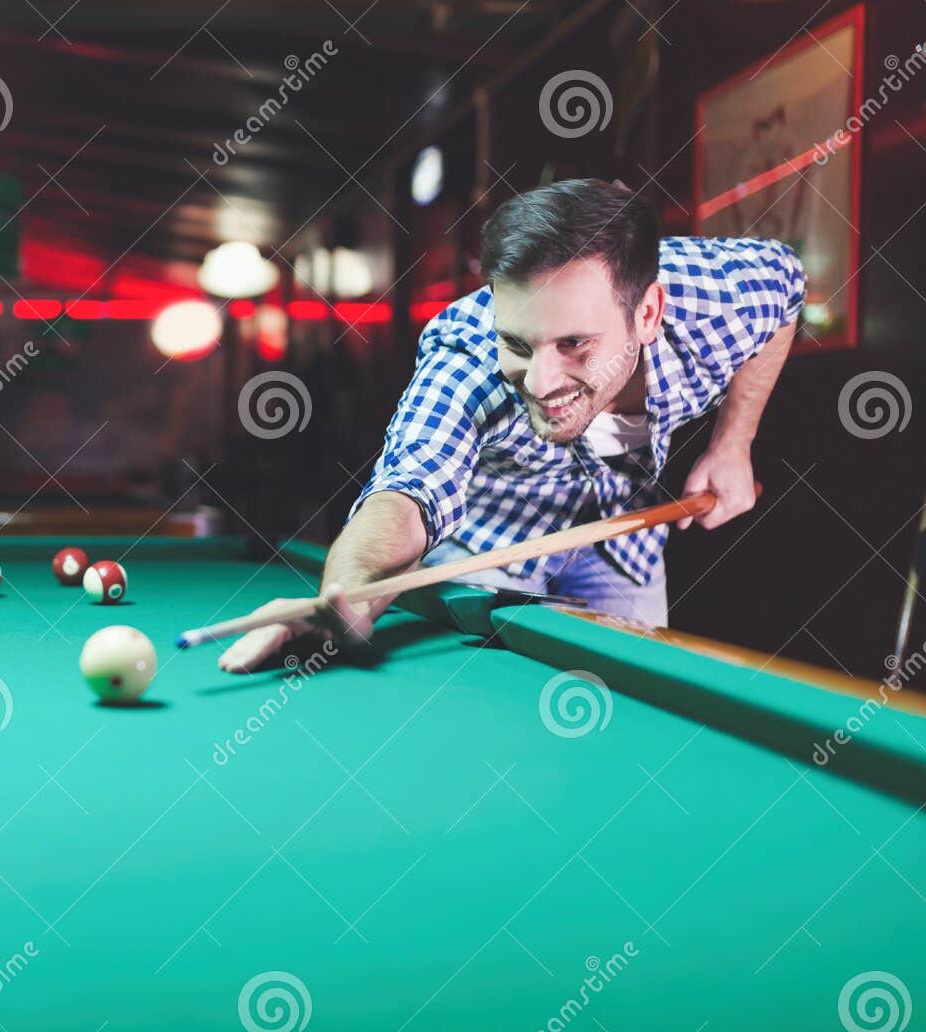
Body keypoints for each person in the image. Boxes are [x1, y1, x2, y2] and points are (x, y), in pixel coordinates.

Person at [220, 178, 803, 673]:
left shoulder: (722, 296)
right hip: (485, 555)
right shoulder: (466, 357)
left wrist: (734, 443)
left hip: (626, 541)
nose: (542, 381)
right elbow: (406, 491)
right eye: (519, 343)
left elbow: (788, 283)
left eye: (575, 344)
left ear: (647, 313)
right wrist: (342, 598)